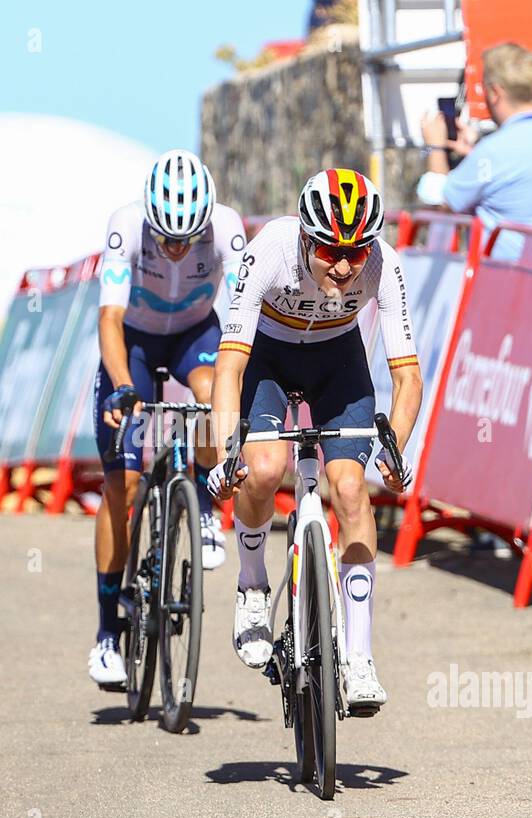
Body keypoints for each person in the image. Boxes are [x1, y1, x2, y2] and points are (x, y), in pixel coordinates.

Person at [207, 168, 421, 714]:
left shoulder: (384, 264)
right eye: (329, 251)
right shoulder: (269, 251)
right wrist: (227, 448)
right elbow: (230, 367)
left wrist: (394, 448)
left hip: (336, 360)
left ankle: (359, 656)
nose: (345, 267)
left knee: (349, 489)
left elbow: (407, 376)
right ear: (305, 236)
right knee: (263, 468)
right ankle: (252, 583)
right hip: (268, 359)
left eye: (356, 252)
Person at [88, 148, 247, 686]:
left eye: (187, 239)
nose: (177, 250)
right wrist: (123, 388)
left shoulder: (226, 226)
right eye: (166, 239)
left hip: (193, 335)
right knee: (123, 485)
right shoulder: (126, 225)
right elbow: (110, 318)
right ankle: (107, 634)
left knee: (210, 393)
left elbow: (244, 307)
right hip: (132, 341)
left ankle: (203, 507)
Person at [416, 42, 532, 261]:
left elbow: (441, 206)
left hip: (512, 276)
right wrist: (477, 155)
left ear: (495, 92)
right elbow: (524, 174)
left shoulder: (494, 152)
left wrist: (435, 146)